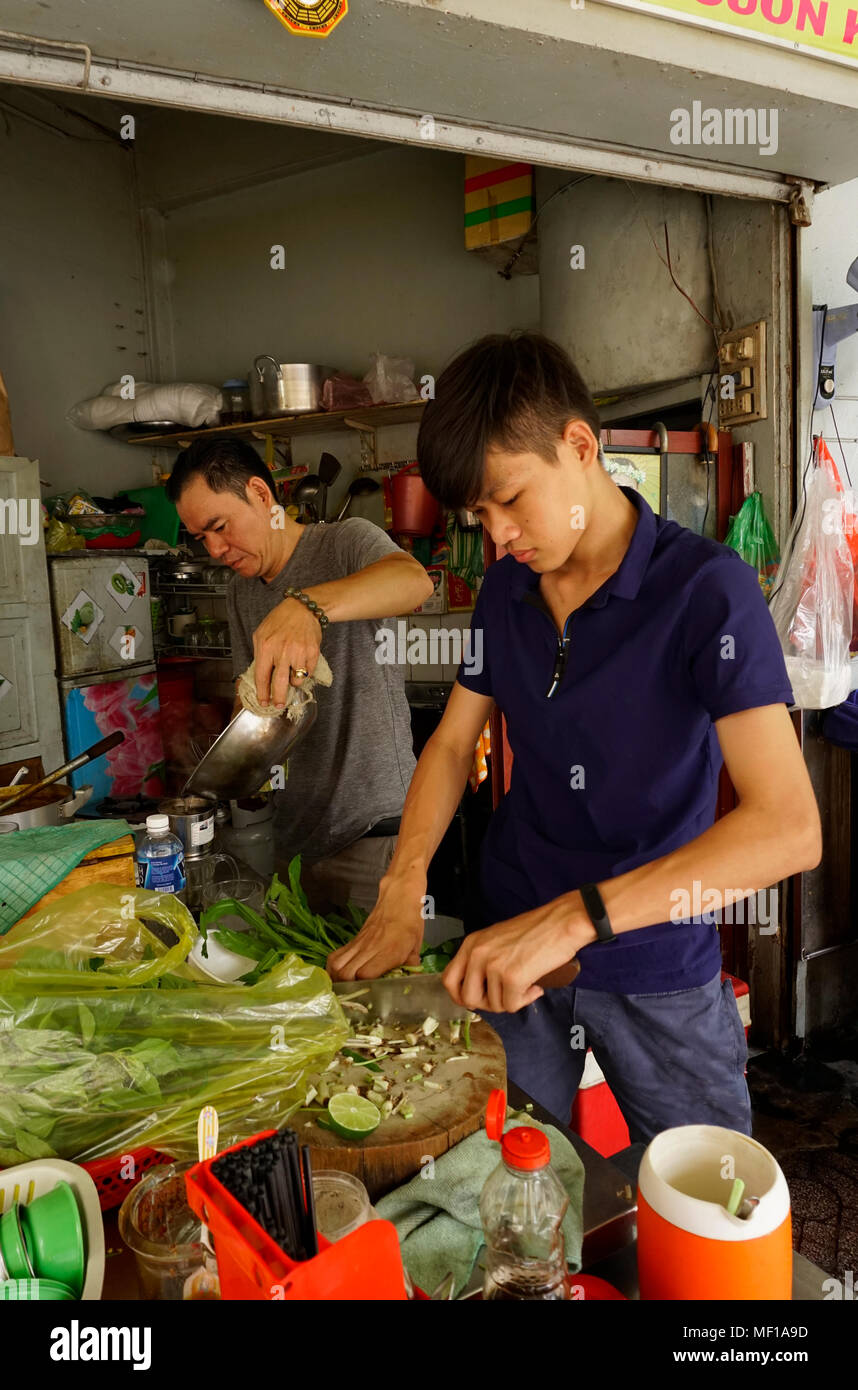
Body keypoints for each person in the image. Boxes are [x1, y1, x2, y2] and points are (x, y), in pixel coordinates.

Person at [328, 331, 822, 1141]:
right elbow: (454, 744)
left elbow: (789, 828)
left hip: (655, 964)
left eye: (509, 499)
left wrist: (572, 918)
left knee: (707, 1206)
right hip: (511, 954)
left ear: (580, 446)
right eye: (478, 515)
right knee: (509, 1187)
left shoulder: (705, 592)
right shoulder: (506, 590)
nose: (497, 536)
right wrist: (401, 885)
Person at [167, 438, 433, 912]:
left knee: (379, 983)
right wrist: (216, 763)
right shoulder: (240, 593)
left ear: (260, 494)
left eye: (219, 526)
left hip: (372, 831)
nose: (214, 548)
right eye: (200, 537)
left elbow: (414, 582)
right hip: (293, 837)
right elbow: (252, 705)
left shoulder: (344, 542)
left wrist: (307, 605)